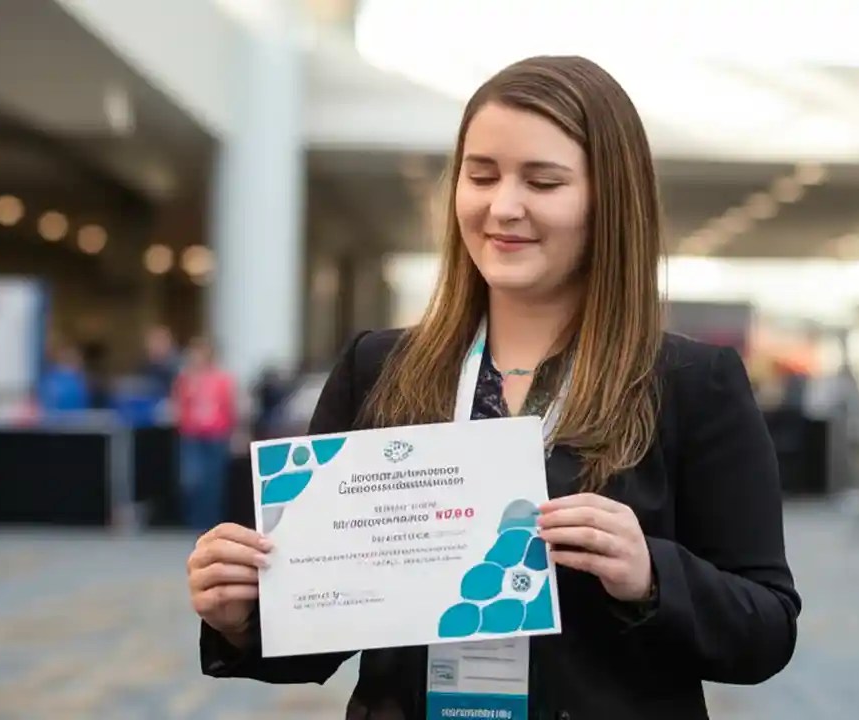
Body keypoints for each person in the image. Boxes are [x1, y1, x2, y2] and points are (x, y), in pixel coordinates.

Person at [187, 55, 800, 719]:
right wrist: (242, 613)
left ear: (609, 201)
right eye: (481, 175)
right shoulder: (379, 367)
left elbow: (765, 629)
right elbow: (316, 637)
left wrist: (651, 575)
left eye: (543, 181)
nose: (502, 207)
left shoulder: (690, 385)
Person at [174, 337, 237, 532]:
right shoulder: (185, 379)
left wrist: (234, 432)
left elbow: (230, 407)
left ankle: (210, 523)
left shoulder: (222, 379)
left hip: (216, 435)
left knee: (213, 482)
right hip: (192, 435)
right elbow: (179, 404)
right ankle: (194, 520)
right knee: (192, 479)